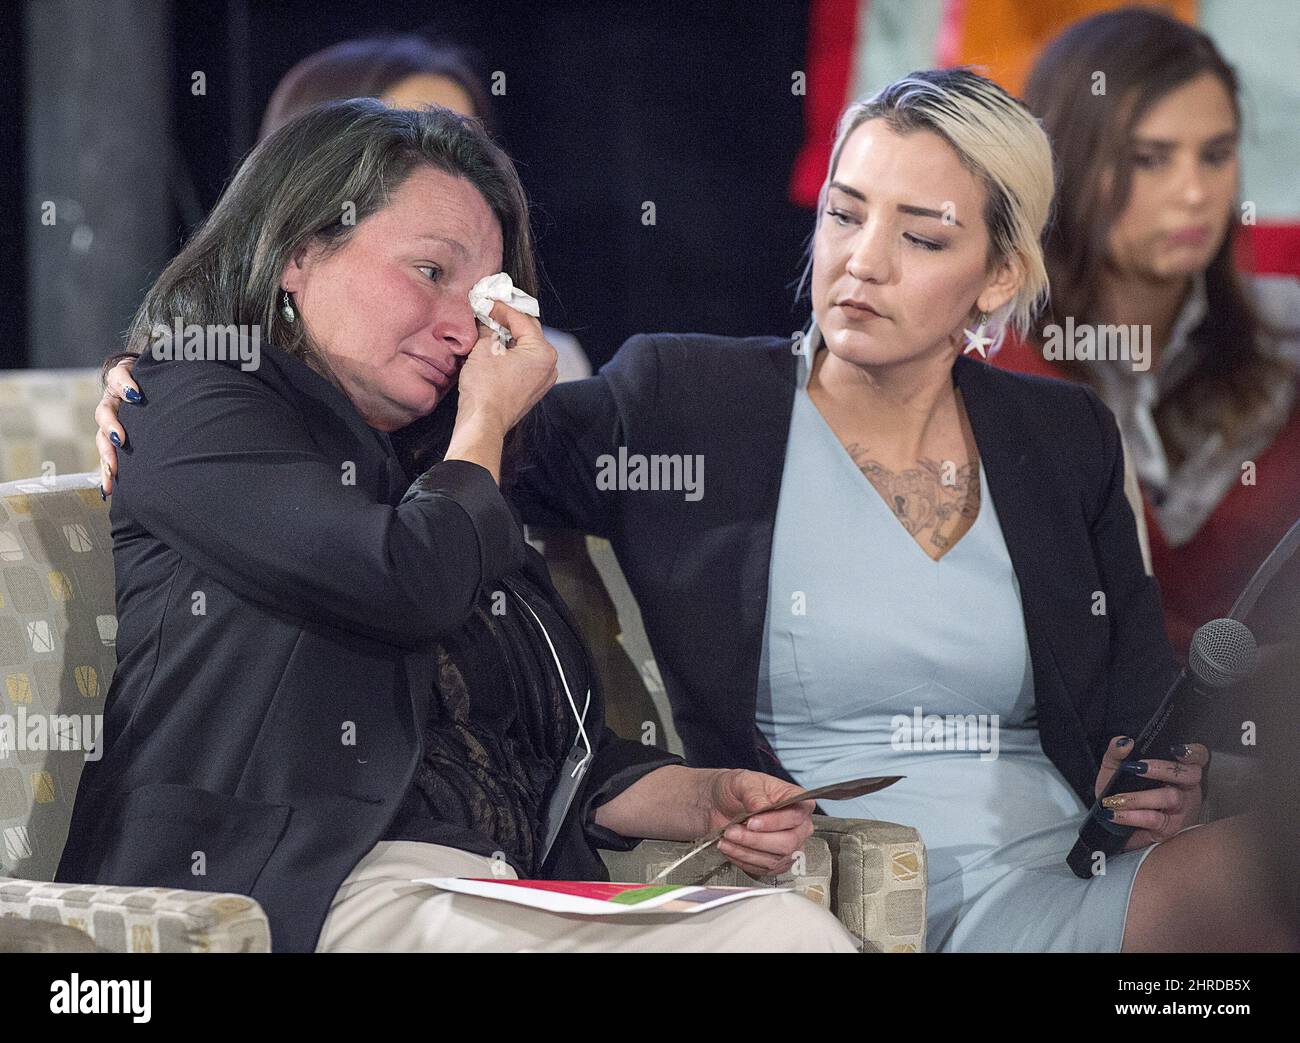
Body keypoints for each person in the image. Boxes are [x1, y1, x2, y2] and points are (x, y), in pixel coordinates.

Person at [96, 73, 1296, 952]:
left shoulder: (1057, 433)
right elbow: (426, 522)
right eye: (842, 212)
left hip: (1066, 853)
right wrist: (169, 371)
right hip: (857, 866)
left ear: (994, 277)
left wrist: (1178, 777)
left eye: (918, 235)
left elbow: (1143, 699)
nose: (860, 261)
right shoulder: (686, 399)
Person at [62, 99, 857, 954]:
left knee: (786, 925)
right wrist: (483, 424)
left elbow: (553, 754)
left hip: (489, 888)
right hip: (284, 894)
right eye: (430, 272)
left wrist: (702, 799)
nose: (461, 327)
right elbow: (402, 580)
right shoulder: (190, 401)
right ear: (298, 251)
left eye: (483, 297)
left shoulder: (433, 467)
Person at [992, 8, 1300, 656]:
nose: (1195, 193)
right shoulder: (990, 361)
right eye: (1149, 159)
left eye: (1215, 155)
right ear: (1064, 163)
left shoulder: (1285, 348)